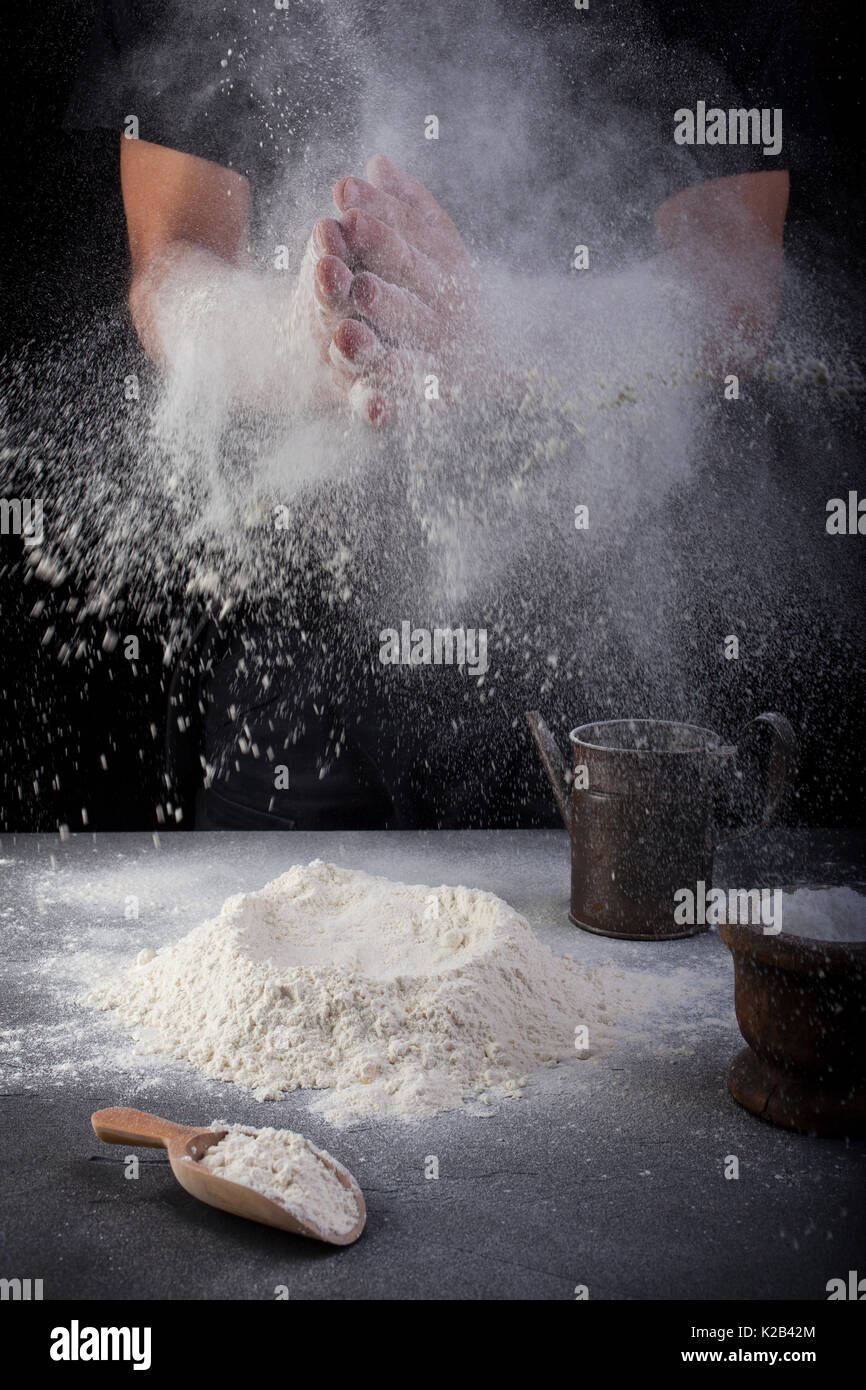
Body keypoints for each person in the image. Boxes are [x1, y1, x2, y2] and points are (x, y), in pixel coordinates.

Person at [65, 0, 819, 829]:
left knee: (613, 955)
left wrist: (509, 337)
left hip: (601, 654)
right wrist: (301, 341)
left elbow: (733, 281)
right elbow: (176, 261)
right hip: (295, 649)